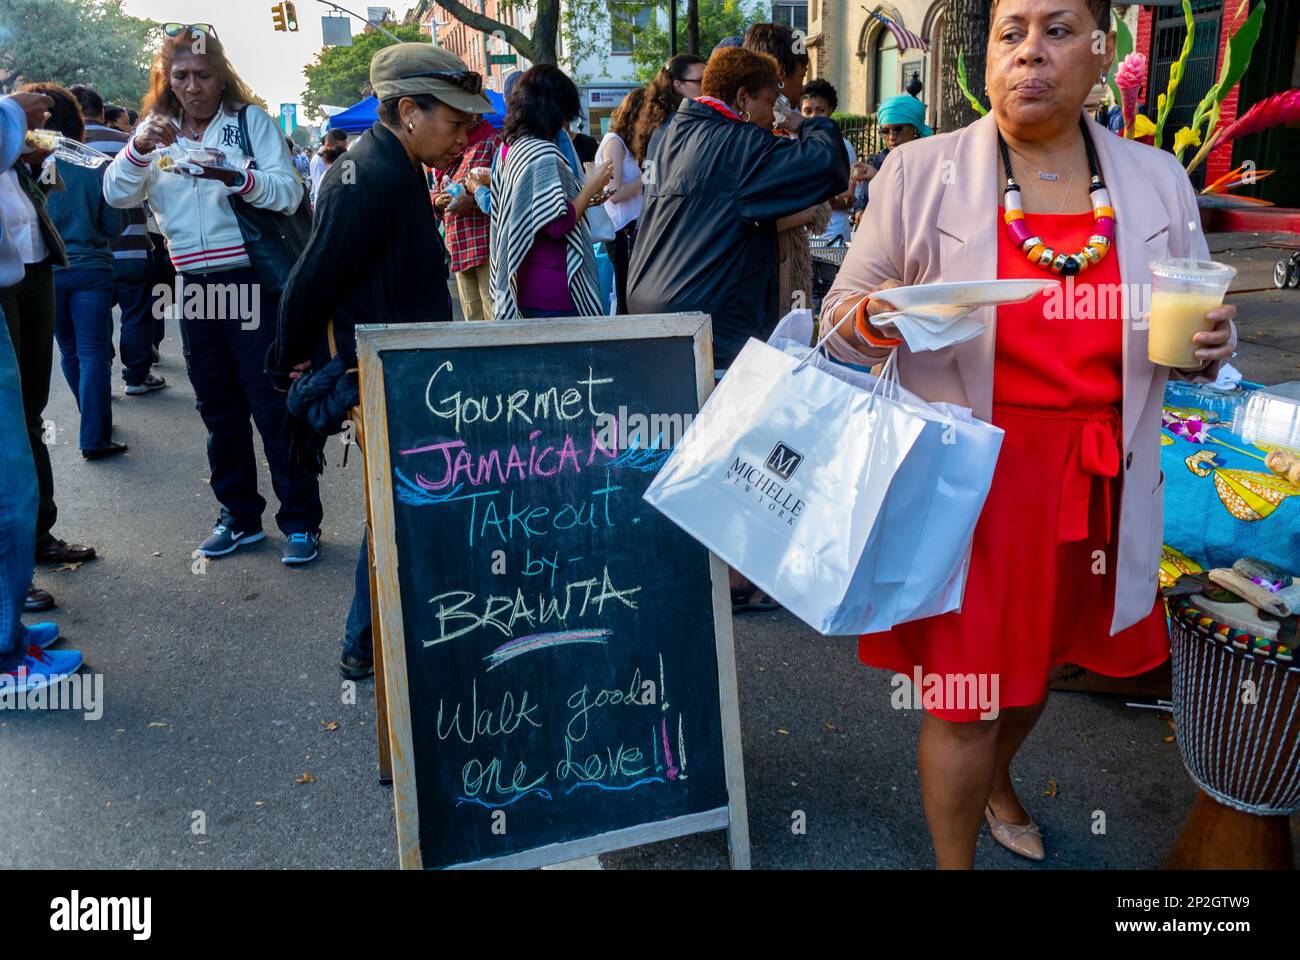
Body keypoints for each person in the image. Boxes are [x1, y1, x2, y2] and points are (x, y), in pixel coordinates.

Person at [821, 0, 1238, 869]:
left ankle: (999, 782)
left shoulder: (1156, 179)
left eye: (1056, 31)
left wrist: (1209, 347)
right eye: (1011, 33)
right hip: (972, 482)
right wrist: (885, 319)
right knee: (968, 696)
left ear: (1100, 50)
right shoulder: (918, 174)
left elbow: (1190, 344)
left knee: (1042, 665)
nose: (1030, 54)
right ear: (987, 59)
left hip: (1097, 481)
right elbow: (836, 325)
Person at [269, 43, 492, 679]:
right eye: (454, 122)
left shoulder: (398, 166)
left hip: (411, 375)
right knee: (401, 507)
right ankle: (367, 643)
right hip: (384, 378)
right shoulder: (362, 177)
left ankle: (371, 639)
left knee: (402, 506)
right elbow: (309, 281)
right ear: (406, 111)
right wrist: (290, 360)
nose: (462, 137)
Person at [103, 24, 324, 566]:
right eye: (181, 76)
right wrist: (136, 149)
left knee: (271, 405)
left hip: (251, 279)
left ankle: (300, 522)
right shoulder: (156, 133)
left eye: (204, 74)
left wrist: (234, 174)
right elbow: (115, 194)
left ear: (222, 75)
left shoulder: (250, 123)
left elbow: (288, 190)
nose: (193, 86)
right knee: (218, 407)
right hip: (196, 286)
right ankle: (238, 517)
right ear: (166, 78)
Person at [627, 46, 848, 369]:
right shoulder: (739, 146)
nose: (773, 115)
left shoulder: (669, 134)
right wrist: (805, 125)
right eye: (771, 103)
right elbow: (828, 166)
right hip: (713, 328)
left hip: (655, 314)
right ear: (743, 99)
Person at [0, 88, 100, 585]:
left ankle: (35, 540)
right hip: (4, 288)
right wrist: (12, 113)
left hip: (34, 270)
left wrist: (36, 160)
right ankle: (10, 576)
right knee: (7, 423)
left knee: (30, 414)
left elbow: (37, 198)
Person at [0, 90, 82, 695]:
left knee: (23, 429)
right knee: (7, 467)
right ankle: (5, 651)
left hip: (24, 274)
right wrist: (10, 112)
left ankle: (9, 633)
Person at [27, 83, 127, 458]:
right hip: (91, 268)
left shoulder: (24, 165)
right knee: (93, 351)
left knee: (69, 349)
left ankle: (93, 419)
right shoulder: (96, 165)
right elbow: (113, 226)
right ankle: (95, 435)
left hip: (45, 270)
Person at [489, 65, 613, 320]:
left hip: (525, 283)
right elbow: (557, 224)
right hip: (556, 286)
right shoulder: (543, 153)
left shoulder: (510, 150)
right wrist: (591, 184)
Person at [74, 84, 165, 397]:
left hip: (89, 251)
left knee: (95, 320)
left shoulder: (65, 147)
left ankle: (99, 378)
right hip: (133, 245)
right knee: (136, 311)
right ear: (102, 112)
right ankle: (136, 376)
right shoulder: (128, 143)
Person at [743, 23, 824, 316]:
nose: (802, 87)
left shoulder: (780, 125)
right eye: (801, 75)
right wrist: (809, 209)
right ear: (780, 74)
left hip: (784, 265)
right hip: (764, 277)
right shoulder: (757, 132)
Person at [433, 116, 498, 321]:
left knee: (495, 315)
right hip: (459, 247)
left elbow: (507, 191)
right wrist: (438, 200)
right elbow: (436, 188)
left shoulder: (491, 141)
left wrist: (472, 202)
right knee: (473, 322)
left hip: (486, 247)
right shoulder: (453, 146)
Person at [595, 87, 645, 315]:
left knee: (631, 291)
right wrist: (645, 179)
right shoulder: (614, 142)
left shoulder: (629, 143)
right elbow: (613, 194)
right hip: (621, 230)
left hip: (631, 227)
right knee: (625, 293)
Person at [852, 94, 930, 227]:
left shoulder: (928, 160)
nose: (891, 137)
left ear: (915, 128)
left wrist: (878, 178)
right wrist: (861, 216)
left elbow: (916, 207)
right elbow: (860, 206)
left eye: (897, 129)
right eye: (885, 131)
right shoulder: (877, 162)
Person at [800, 79, 857, 245]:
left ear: (831, 110)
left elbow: (850, 196)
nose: (813, 117)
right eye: (807, 111)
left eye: (820, 110)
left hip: (834, 233)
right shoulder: (794, 146)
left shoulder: (844, 147)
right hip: (802, 234)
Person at [637, 54, 705, 168]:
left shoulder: (659, 122)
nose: (707, 86)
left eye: (708, 80)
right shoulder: (679, 126)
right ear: (677, 85)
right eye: (699, 81)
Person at [310, 128, 347, 205]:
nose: (344, 151)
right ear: (328, 146)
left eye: (344, 148)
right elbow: (320, 189)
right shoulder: (318, 161)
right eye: (340, 148)